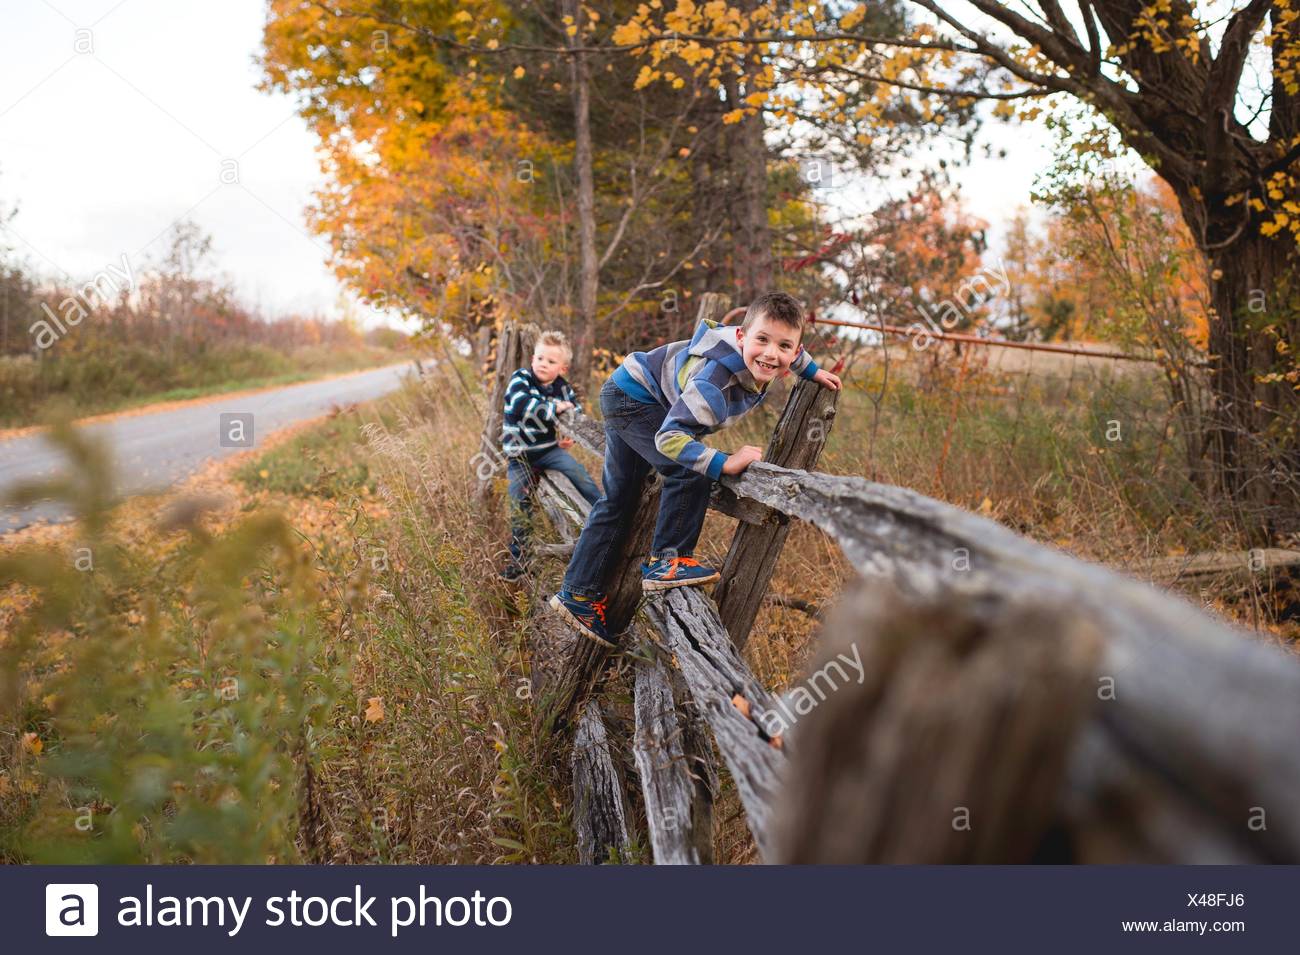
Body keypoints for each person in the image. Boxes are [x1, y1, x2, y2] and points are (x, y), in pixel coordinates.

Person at [548, 291, 841, 642]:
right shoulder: (714, 383)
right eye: (761, 340)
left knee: (619, 498)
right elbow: (669, 439)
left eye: (784, 348)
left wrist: (812, 370)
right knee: (690, 470)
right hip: (635, 399)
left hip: (626, 386)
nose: (771, 353)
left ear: (795, 350)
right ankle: (668, 561)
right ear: (741, 337)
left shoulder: (769, 351)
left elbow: (782, 344)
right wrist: (724, 462)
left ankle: (576, 593)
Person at [499, 331, 601, 581]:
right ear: (532, 359)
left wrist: (569, 434)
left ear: (562, 368)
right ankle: (519, 560)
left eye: (551, 361)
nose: (544, 364)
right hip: (520, 457)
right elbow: (524, 405)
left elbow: (575, 412)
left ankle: (607, 516)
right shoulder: (520, 379)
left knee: (582, 478)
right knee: (518, 504)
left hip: (548, 450)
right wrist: (554, 407)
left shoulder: (561, 388)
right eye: (540, 358)